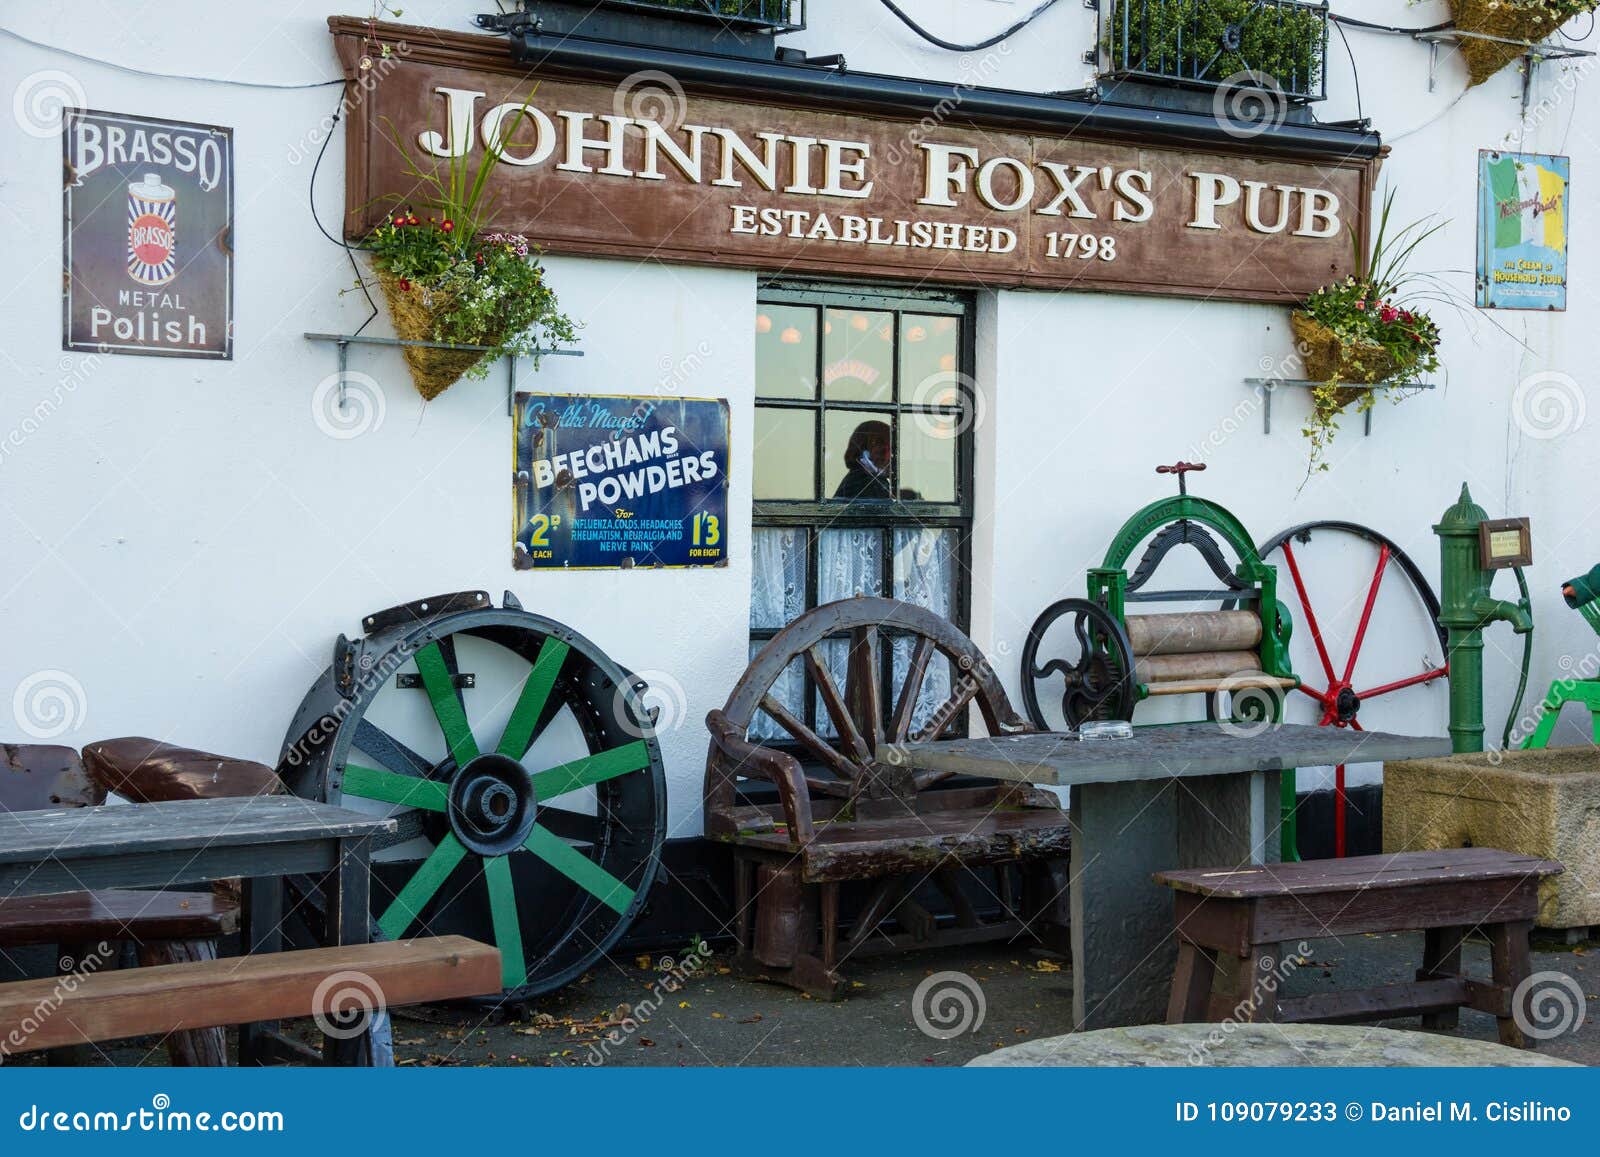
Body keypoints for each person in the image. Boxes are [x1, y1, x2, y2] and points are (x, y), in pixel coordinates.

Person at [833, 419, 899, 501]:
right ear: (863, 451)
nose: (887, 453)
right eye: (878, 443)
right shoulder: (865, 484)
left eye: (890, 446)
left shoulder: (872, 481)